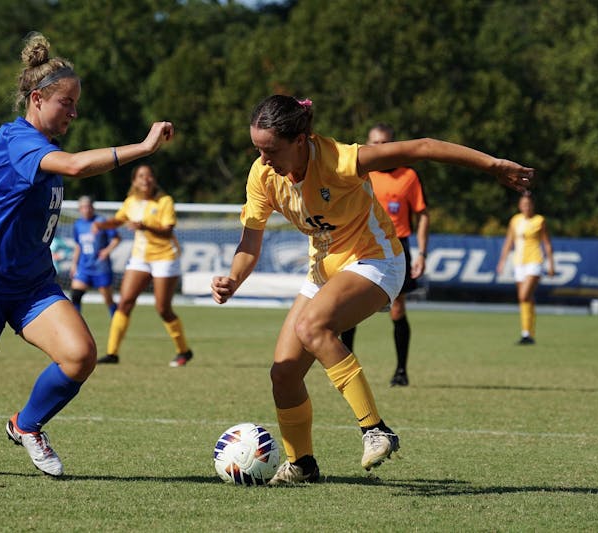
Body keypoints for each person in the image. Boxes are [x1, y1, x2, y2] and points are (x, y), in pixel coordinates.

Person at [211, 95, 533, 485]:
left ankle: (375, 429)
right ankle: (302, 465)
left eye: (271, 150)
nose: (263, 159)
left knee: (312, 327)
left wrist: (492, 164)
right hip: (325, 272)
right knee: (283, 374)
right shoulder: (263, 176)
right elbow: (250, 242)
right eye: (258, 149)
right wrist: (234, 278)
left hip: (377, 260)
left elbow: (422, 147)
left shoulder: (341, 160)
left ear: (300, 140)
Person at [0, 32, 174, 476]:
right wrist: (145, 148)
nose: (74, 112)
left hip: (31, 283)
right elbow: (75, 166)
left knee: (80, 356)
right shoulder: (19, 140)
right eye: (66, 102)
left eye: (76, 104)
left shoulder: (25, 143)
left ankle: (26, 425)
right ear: (37, 99)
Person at [340, 123, 429, 387]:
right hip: (360, 243)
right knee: (348, 305)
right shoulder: (359, 172)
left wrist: (422, 252)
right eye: (374, 143)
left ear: (393, 144)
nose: (379, 148)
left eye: (384, 143)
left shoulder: (408, 176)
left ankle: (401, 371)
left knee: (397, 308)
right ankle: (345, 368)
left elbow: (423, 214)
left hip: (396, 246)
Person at [95, 164, 193, 367]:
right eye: (141, 176)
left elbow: (168, 231)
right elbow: (118, 220)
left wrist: (144, 226)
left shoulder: (164, 201)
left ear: (154, 180)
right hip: (140, 258)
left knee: (163, 308)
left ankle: (184, 351)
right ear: (134, 181)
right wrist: (101, 225)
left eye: (149, 176)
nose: (145, 179)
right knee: (125, 302)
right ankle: (112, 353)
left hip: (165, 257)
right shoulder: (131, 202)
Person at [496, 192, 555, 345]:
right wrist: (502, 261)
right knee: (526, 299)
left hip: (534, 261)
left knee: (524, 296)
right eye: (523, 204)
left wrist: (551, 264)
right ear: (519, 205)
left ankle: (528, 332)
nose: (526, 207)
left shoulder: (539, 220)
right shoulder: (515, 220)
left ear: (532, 205)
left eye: (528, 204)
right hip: (519, 263)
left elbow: (547, 243)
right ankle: (527, 333)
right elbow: (509, 241)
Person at [70, 195, 121, 317]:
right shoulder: (78, 225)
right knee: (75, 295)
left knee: (108, 300)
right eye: (83, 207)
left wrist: (107, 251)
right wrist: (74, 264)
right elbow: (78, 246)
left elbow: (117, 238)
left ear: (92, 208)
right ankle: (77, 323)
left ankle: (116, 320)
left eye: (88, 207)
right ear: (79, 209)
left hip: (100, 267)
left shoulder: (101, 221)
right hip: (84, 267)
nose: (86, 210)